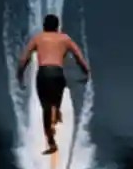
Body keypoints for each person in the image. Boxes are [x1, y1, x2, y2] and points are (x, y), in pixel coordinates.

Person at [15, 13, 91, 155]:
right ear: (58, 27)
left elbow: (23, 59)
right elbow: (79, 56)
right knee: (56, 102)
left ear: (44, 26)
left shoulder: (38, 38)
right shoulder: (65, 39)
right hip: (57, 74)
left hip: (43, 74)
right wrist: (86, 72)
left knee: (46, 109)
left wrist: (20, 76)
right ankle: (56, 113)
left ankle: (52, 143)